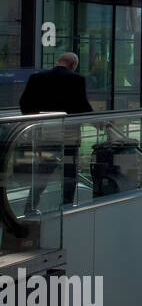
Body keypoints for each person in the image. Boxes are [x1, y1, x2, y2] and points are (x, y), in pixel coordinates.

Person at [19, 50, 94, 208]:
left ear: (58, 61)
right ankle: (66, 206)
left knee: (43, 170)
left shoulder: (37, 78)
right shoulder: (77, 79)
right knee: (69, 171)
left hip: (45, 132)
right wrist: (97, 122)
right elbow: (83, 106)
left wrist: (38, 120)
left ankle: (30, 206)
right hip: (69, 134)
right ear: (73, 65)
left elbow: (24, 104)